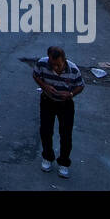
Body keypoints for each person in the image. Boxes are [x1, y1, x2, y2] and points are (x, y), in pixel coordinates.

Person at [32, 45, 85, 178]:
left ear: (64, 60)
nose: (55, 68)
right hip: (47, 101)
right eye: (52, 64)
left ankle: (64, 163)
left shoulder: (73, 69)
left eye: (58, 65)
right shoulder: (42, 63)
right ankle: (47, 157)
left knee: (66, 134)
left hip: (65, 104)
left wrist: (71, 94)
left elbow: (81, 85)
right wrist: (45, 86)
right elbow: (36, 75)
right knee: (46, 130)